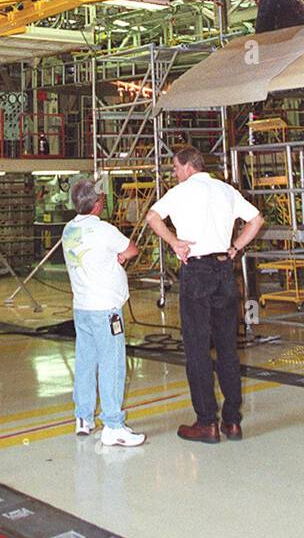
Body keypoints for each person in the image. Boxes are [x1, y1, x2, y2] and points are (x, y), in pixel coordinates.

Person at [146, 147, 264, 444]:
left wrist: (174, 242)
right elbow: (256, 220)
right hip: (224, 271)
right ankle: (232, 421)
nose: (174, 173)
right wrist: (235, 248)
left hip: (197, 271)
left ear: (187, 167)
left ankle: (206, 422)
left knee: (197, 348)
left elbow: (152, 217)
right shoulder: (226, 190)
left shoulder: (181, 191)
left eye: (175, 167)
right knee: (227, 347)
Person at [62, 178, 144, 447]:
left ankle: (83, 418)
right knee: (112, 364)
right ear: (96, 205)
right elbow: (132, 249)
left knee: (86, 362)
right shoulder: (105, 230)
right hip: (106, 310)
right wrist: (119, 256)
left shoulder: (68, 230)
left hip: (82, 308)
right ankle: (113, 425)